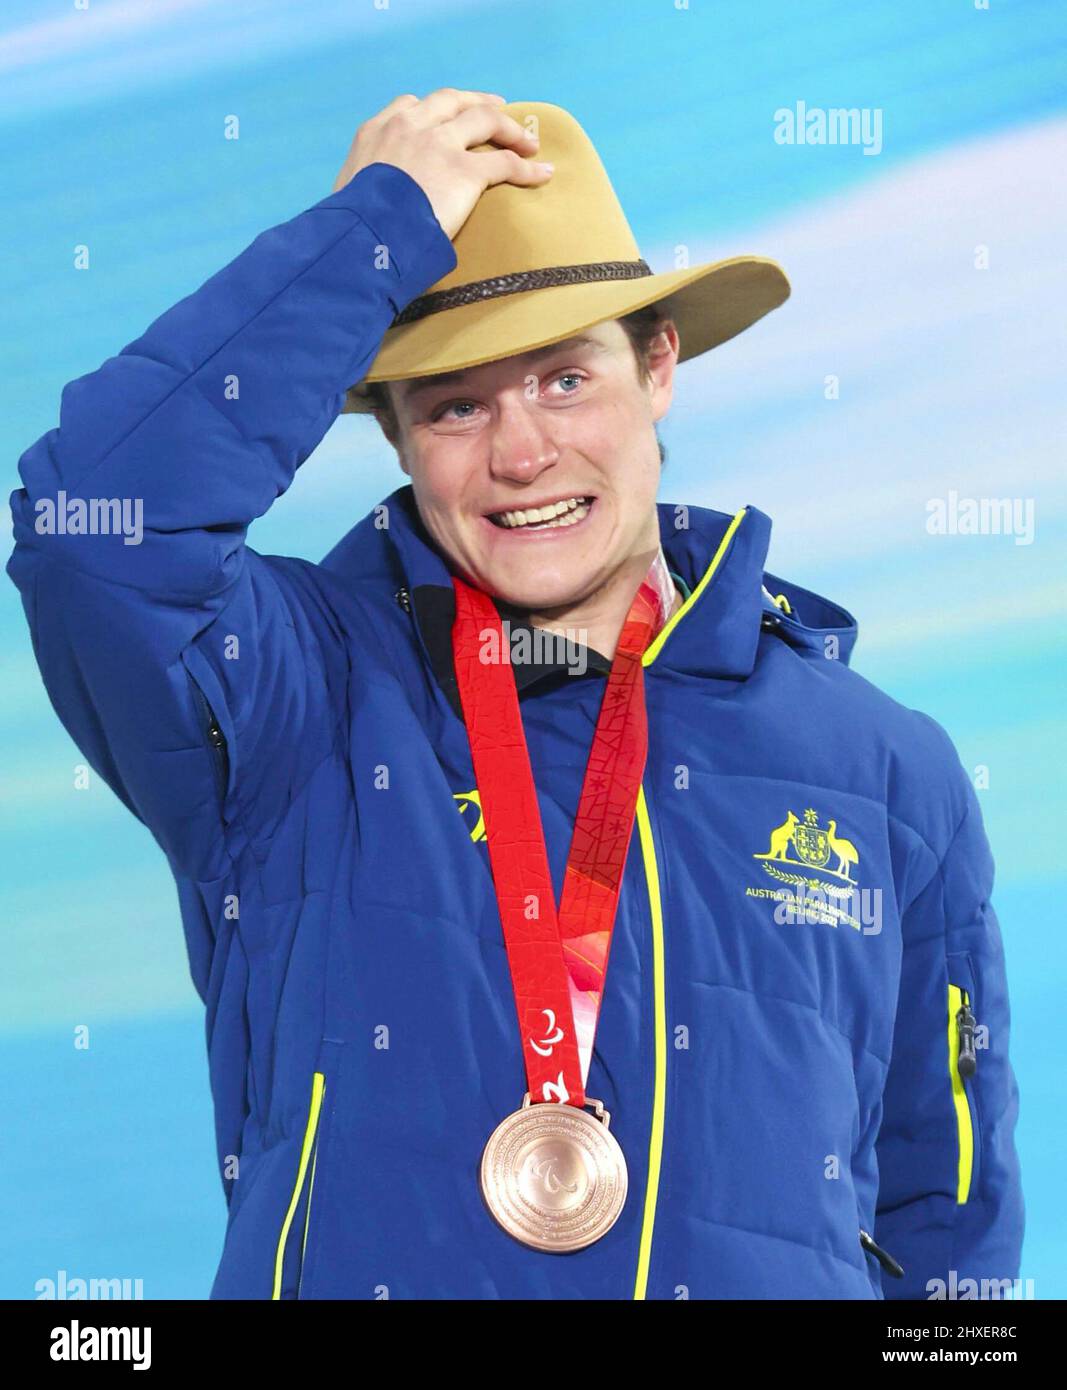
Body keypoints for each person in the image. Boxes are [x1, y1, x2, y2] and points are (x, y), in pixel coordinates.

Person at [7, 90, 1024, 1300]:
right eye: (453, 405)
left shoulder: (885, 770)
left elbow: (946, 1237)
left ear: (658, 367)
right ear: (392, 438)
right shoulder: (295, 699)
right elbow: (96, 534)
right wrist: (371, 236)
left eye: (561, 380)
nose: (520, 454)